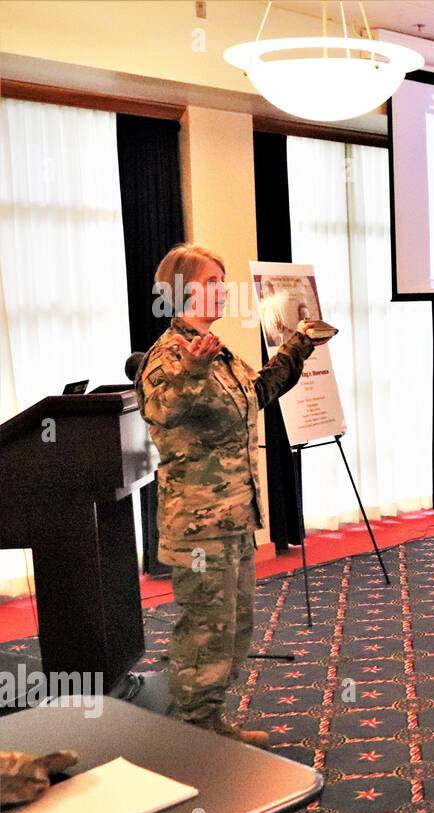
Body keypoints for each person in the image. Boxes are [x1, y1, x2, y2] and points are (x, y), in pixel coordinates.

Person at [138, 243, 335, 747]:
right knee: (205, 626)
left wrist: (297, 347)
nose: (223, 291)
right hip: (198, 523)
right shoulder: (170, 354)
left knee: (233, 622)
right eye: (211, 282)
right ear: (182, 290)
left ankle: (211, 723)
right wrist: (194, 371)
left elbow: (259, 392)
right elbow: (160, 410)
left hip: (232, 514)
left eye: (223, 281)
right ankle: (195, 730)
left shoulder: (216, 349)